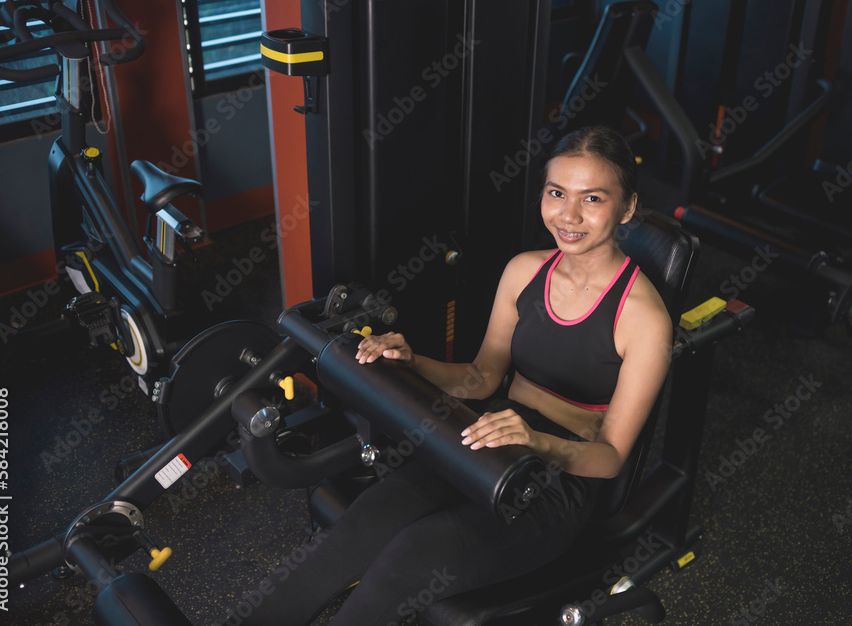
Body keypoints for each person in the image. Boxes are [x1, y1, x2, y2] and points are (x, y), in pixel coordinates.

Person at [231, 125, 672, 625]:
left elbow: (612, 458)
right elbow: (483, 378)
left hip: (555, 482)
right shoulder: (524, 271)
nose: (568, 216)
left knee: (410, 557)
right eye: (556, 193)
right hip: (480, 442)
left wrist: (537, 441)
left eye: (592, 198)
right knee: (356, 531)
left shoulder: (643, 319)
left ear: (627, 208)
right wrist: (411, 361)